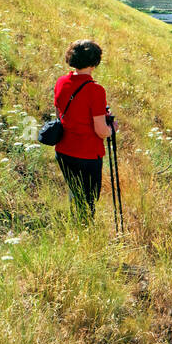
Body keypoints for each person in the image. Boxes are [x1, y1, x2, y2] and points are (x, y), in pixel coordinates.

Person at [53, 39, 114, 222]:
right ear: (95, 62)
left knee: (75, 195)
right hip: (87, 155)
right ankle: (85, 232)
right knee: (88, 201)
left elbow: (60, 115)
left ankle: (75, 228)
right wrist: (112, 128)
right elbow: (101, 131)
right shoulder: (95, 90)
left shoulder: (61, 82)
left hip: (64, 150)